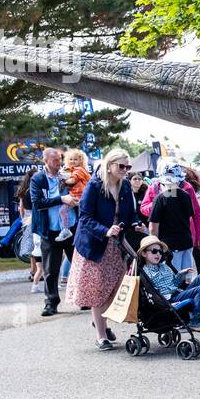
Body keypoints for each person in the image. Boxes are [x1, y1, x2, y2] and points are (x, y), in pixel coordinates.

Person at [68, 149, 137, 350]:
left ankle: (100, 321)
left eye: (128, 167)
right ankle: (101, 336)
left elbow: (129, 213)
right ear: (109, 166)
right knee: (97, 290)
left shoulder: (125, 186)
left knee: (115, 288)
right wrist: (105, 231)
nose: (125, 170)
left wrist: (135, 223)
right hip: (95, 244)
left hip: (115, 245)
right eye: (121, 166)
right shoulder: (94, 185)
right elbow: (85, 217)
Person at [136, 235, 200, 328]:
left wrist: (181, 275)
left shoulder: (164, 266)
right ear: (144, 253)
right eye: (154, 251)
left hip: (178, 292)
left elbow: (174, 283)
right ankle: (195, 319)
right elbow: (153, 295)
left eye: (160, 251)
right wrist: (166, 305)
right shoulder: (145, 272)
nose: (158, 254)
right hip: (169, 299)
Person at [31, 146, 79, 317]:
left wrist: (76, 200)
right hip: (50, 230)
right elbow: (37, 203)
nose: (59, 163)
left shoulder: (67, 175)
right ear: (45, 161)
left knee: (79, 265)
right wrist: (61, 199)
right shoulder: (38, 179)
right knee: (51, 269)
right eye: (55, 160)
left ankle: (83, 298)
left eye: (60, 159)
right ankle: (51, 302)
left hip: (72, 227)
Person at [146, 169, 197, 274]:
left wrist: (154, 245)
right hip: (186, 241)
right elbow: (189, 218)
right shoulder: (186, 196)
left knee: (173, 278)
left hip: (170, 245)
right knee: (187, 277)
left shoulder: (160, 198)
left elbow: (153, 227)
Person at [55, 149, 91, 242]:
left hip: (79, 196)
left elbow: (72, 180)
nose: (72, 161)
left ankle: (66, 230)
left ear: (80, 160)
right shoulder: (75, 169)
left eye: (75, 159)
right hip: (79, 196)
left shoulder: (79, 169)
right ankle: (70, 230)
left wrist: (63, 180)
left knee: (63, 211)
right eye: (70, 159)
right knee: (79, 215)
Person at [18, 166, 43, 293]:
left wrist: (23, 219)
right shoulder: (35, 190)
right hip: (35, 217)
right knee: (37, 246)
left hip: (26, 218)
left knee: (32, 248)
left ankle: (33, 271)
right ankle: (37, 271)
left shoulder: (23, 190)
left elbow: (21, 207)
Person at [183, 166, 200, 275]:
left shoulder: (199, 192)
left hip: (199, 226)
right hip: (188, 227)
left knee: (198, 255)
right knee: (190, 255)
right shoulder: (184, 190)